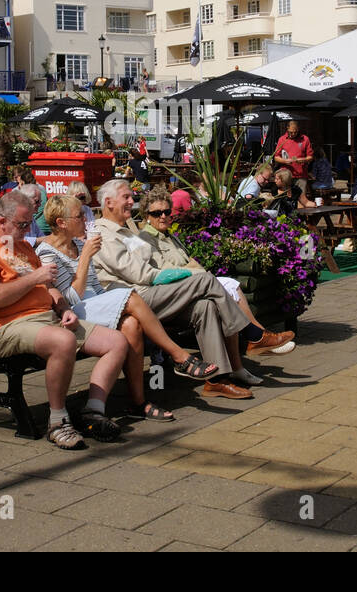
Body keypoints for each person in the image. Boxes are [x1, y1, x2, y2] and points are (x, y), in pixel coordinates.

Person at [0, 192, 130, 450]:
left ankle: (93, 410)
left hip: (45, 319)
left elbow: (48, 287)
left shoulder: (22, 246)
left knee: (116, 341)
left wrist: (63, 307)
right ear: (2, 220)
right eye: (22, 224)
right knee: (63, 341)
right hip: (6, 327)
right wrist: (34, 277)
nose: (28, 229)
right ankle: (58, 421)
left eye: (29, 223)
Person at [37, 194, 218, 421]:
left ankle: (138, 403)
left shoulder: (79, 244)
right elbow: (70, 297)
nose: (85, 219)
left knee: (132, 324)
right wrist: (84, 259)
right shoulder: (48, 253)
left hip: (95, 306)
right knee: (130, 296)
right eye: (79, 216)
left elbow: (96, 288)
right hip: (73, 311)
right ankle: (179, 356)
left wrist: (112, 303)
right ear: (61, 223)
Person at [92, 179, 256, 399]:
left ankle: (217, 380)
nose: (132, 201)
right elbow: (141, 274)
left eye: (132, 196)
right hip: (133, 300)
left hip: (149, 294)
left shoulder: (126, 231)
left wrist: (179, 273)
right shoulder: (104, 234)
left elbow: (147, 267)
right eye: (126, 197)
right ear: (109, 202)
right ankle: (252, 333)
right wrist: (182, 274)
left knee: (205, 306)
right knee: (205, 280)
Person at [138, 188, 296, 356]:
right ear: (147, 215)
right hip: (176, 290)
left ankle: (254, 344)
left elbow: (188, 262)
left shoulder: (169, 236)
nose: (163, 216)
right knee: (224, 290)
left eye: (166, 211)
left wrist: (194, 269)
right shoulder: (146, 238)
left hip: (190, 282)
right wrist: (195, 272)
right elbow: (165, 270)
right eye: (156, 213)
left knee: (231, 287)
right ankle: (257, 337)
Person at [273, 119, 314, 198]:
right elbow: (276, 157)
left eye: (295, 132)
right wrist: (285, 161)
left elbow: (311, 157)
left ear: (298, 130)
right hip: (285, 175)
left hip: (301, 175)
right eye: (291, 132)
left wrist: (303, 159)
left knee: (301, 197)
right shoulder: (282, 139)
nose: (293, 134)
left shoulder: (305, 139)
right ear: (287, 129)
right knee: (286, 197)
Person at [15, 166, 47, 235]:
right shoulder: (18, 219)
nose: (40, 205)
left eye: (40, 201)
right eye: (37, 202)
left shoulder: (31, 219)